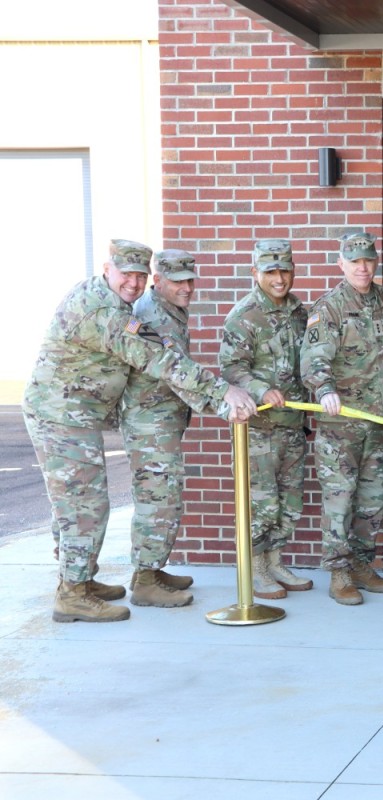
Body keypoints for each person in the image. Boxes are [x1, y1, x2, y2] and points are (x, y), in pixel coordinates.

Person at [23, 239, 256, 623]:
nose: (132, 283)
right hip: (60, 414)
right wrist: (223, 393)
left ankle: (81, 579)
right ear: (107, 268)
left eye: (138, 275)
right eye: (125, 274)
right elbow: (163, 361)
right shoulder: (108, 312)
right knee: (85, 504)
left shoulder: (116, 303)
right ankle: (72, 593)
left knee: (77, 501)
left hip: (74, 413)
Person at [300, 231, 383, 605]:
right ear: (341, 264)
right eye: (355, 261)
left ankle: (363, 565)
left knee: (371, 500)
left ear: (375, 262)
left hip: (378, 424)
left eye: (368, 260)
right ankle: (339, 573)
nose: (363, 268)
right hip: (341, 427)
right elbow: (313, 361)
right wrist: (325, 389)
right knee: (340, 503)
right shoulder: (328, 307)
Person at [220, 239, 312, 600]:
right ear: (255, 272)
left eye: (284, 270)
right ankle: (255, 568)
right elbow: (230, 368)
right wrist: (260, 390)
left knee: (289, 503)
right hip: (257, 431)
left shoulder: (299, 311)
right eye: (271, 271)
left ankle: (275, 562)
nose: (279, 278)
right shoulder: (243, 316)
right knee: (262, 504)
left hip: (292, 425)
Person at [118, 249, 209, 608]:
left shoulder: (170, 309)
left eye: (190, 280)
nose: (186, 288)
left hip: (162, 419)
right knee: (157, 499)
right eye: (177, 282)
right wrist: (221, 401)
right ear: (158, 281)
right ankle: (144, 581)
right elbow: (176, 372)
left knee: (165, 495)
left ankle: (153, 570)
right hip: (148, 423)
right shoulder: (151, 317)